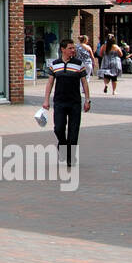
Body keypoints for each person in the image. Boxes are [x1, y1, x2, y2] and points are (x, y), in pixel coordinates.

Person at [42, 39, 91, 167]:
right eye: (70, 48)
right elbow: (50, 83)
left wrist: (87, 100)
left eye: (73, 48)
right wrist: (46, 100)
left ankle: (70, 156)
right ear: (63, 49)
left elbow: (84, 82)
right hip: (59, 102)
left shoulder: (79, 64)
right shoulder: (55, 64)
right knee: (58, 128)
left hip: (75, 102)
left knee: (73, 131)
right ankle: (63, 146)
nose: (73, 50)